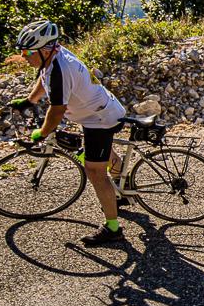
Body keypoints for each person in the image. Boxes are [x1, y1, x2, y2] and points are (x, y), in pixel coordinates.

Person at [9, 20, 129, 246]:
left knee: (94, 170)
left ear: (44, 50)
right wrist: (29, 100)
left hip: (99, 119)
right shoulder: (53, 56)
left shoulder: (60, 69)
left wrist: (42, 133)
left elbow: (57, 110)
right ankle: (123, 184)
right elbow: (45, 82)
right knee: (102, 153)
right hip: (97, 112)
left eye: (27, 52)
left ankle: (113, 228)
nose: (24, 56)